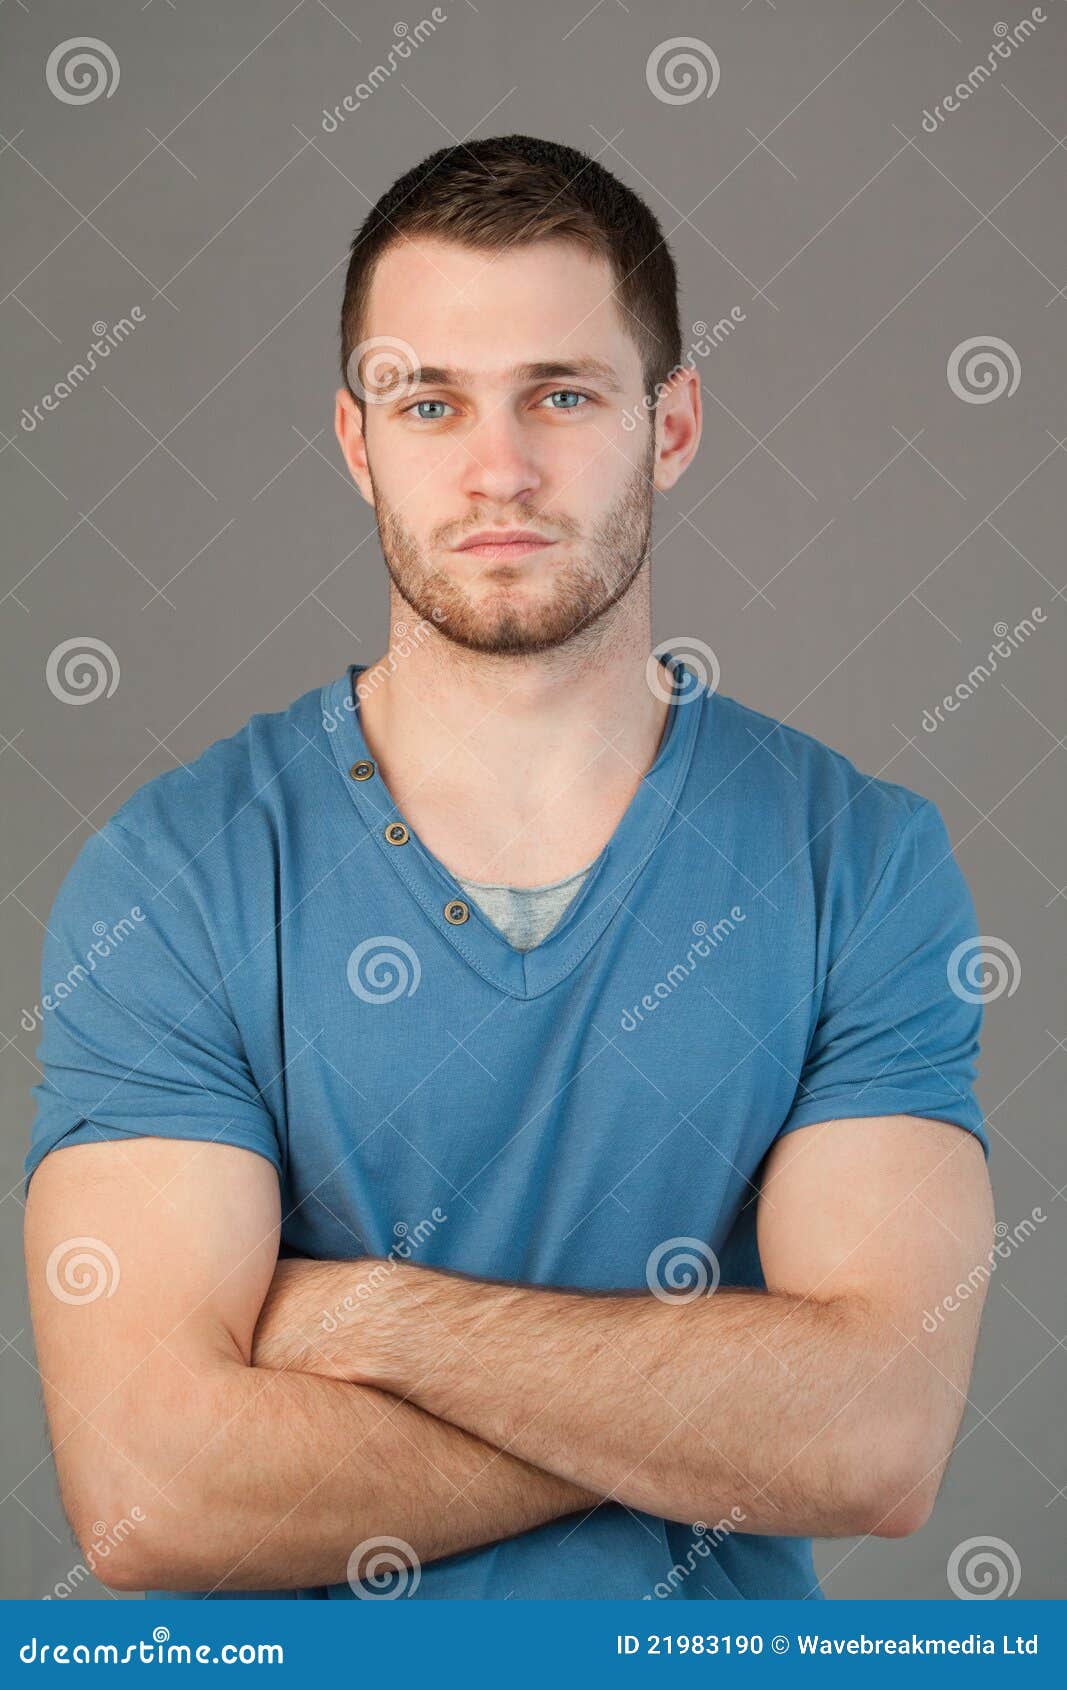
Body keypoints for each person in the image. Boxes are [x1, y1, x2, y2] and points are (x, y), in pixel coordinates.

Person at [23, 134, 993, 1602]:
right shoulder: (182, 875)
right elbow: (156, 1495)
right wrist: (711, 1405)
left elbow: (874, 1438)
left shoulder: (857, 861)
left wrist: (376, 1320)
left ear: (670, 424)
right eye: (431, 401)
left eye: (563, 392)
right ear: (357, 441)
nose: (500, 468)